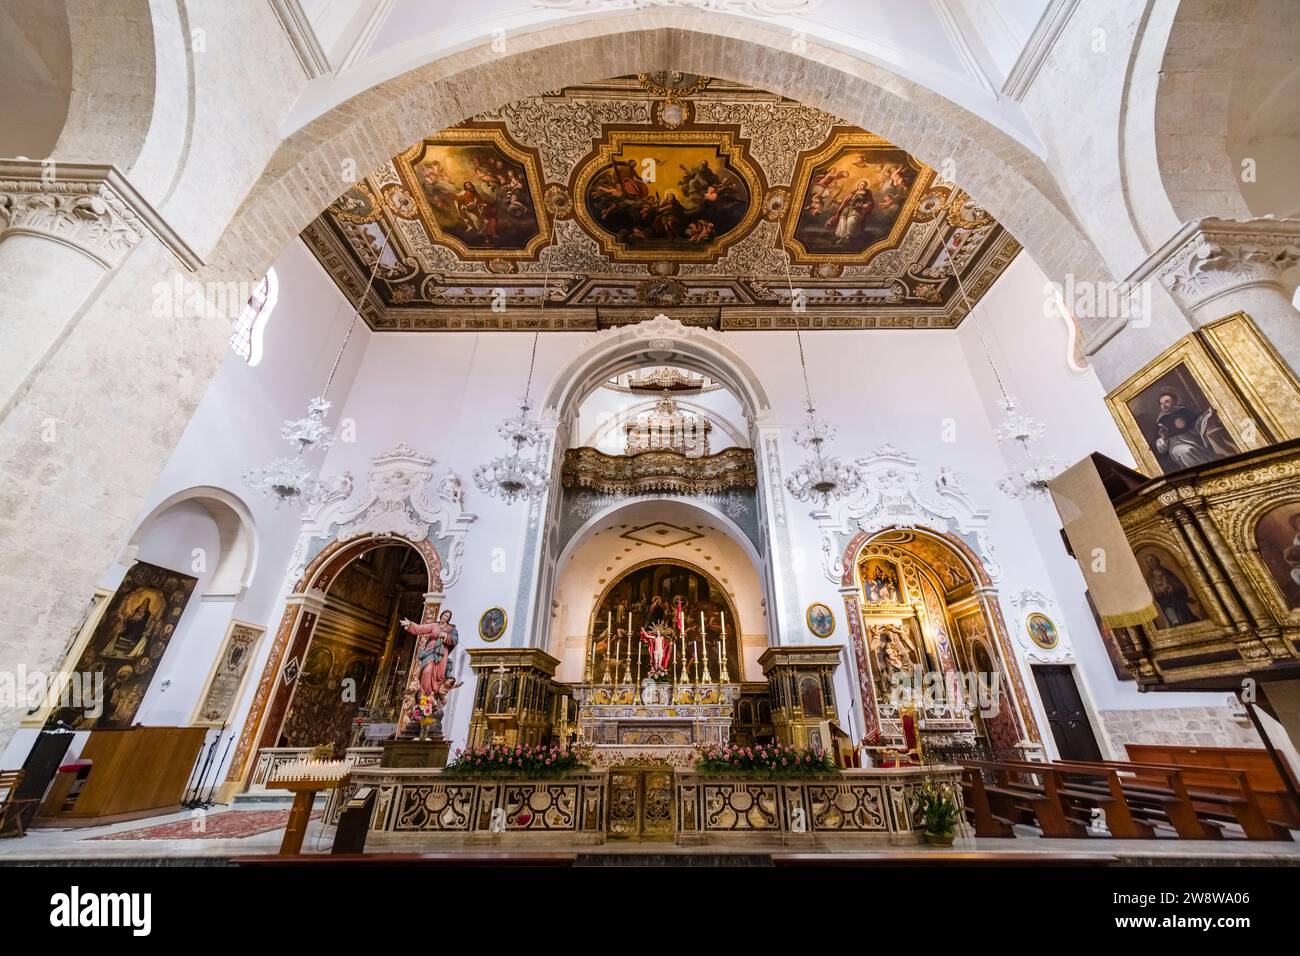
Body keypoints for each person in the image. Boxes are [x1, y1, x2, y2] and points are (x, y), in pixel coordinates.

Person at [401, 610, 459, 698]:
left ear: (449, 619)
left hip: (442, 652)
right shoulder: (434, 625)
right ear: (441, 615)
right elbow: (421, 628)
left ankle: (434, 694)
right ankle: (425, 694)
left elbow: (455, 640)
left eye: (447, 617)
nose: (445, 617)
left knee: (439, 674)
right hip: (430, 650)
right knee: (427, 671)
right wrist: (410, 624)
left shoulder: (450, 628)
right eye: (444, 615)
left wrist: (446, 636)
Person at [1144, 554, 1200, 627]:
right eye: (1148, 562)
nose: (1150, 563)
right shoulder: (1150, 577)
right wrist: (1159, 592)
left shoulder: (1167, 572)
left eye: (1152, 560)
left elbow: (1180, 585)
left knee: (1186, 620)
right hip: (1165, 603)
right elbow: (1152, 593)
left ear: (1157, 560)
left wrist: (1173, 588)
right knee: (1175, 622)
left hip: (1177, 601)